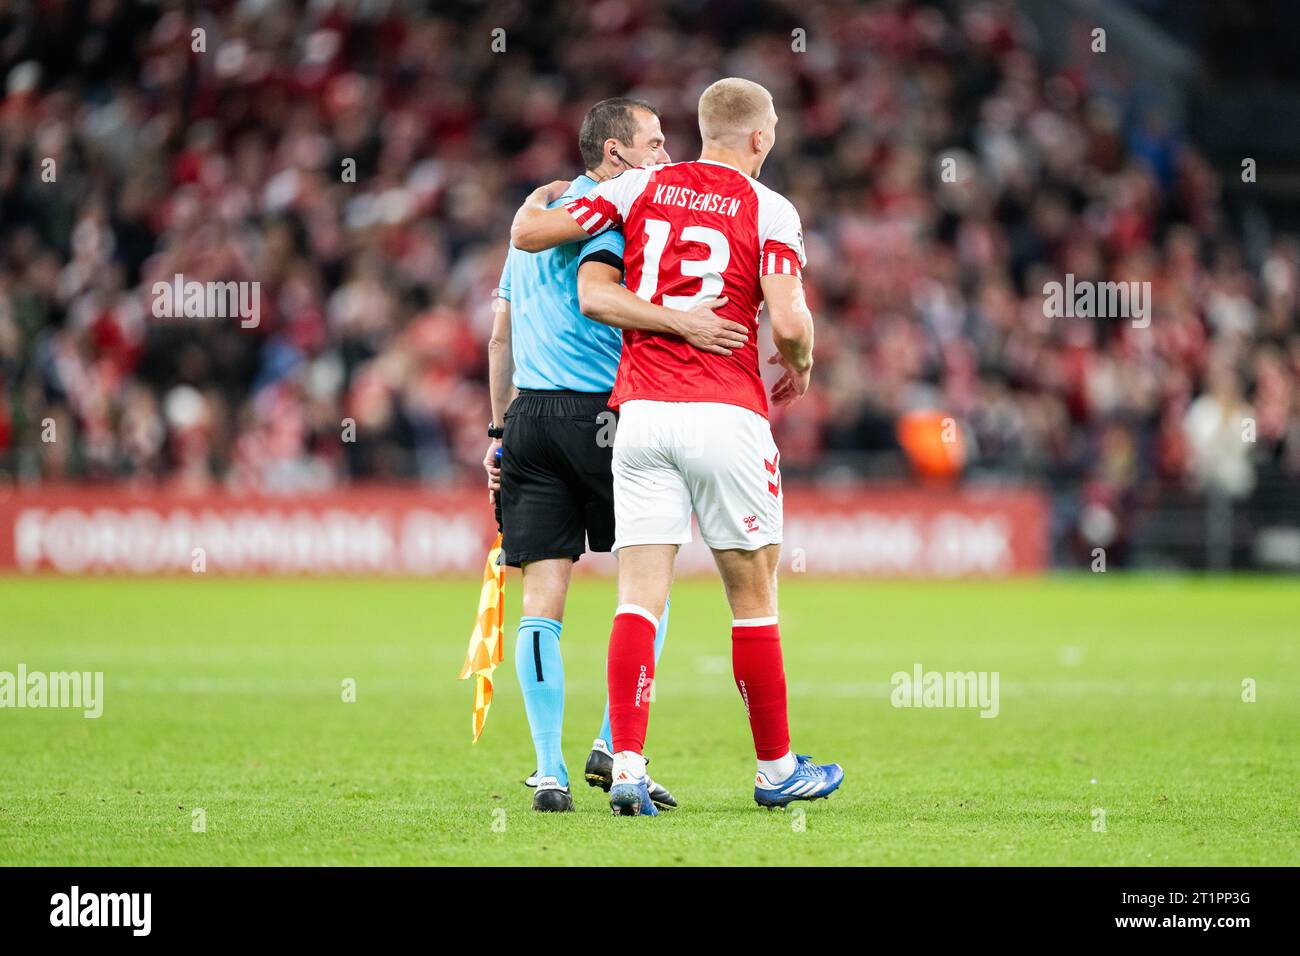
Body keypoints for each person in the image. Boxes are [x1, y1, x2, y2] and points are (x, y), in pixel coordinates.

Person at [510, 77, 844, 815]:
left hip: (642, 415)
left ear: (700, 129)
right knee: (752, 598)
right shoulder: (771, 208)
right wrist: (803, 364)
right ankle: (775, 768)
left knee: (638, 596)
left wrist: (534, 202)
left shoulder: (641, 189)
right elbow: (788, 320)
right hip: (725, 413)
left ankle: (626, 764)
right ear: (761, 138)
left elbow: (540, 235)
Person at [486, 97, 749, 812]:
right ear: (614, 155)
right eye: (656, 143)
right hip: (607, 412)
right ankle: (614, 741)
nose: (666, 156)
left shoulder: (536, 217)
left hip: (530, 417)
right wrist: (687, 326)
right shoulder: (626, 213)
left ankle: (548, 772)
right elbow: (602, 298)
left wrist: (496, 433)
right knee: (646, 586)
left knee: (541, 601)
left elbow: (499, 339)